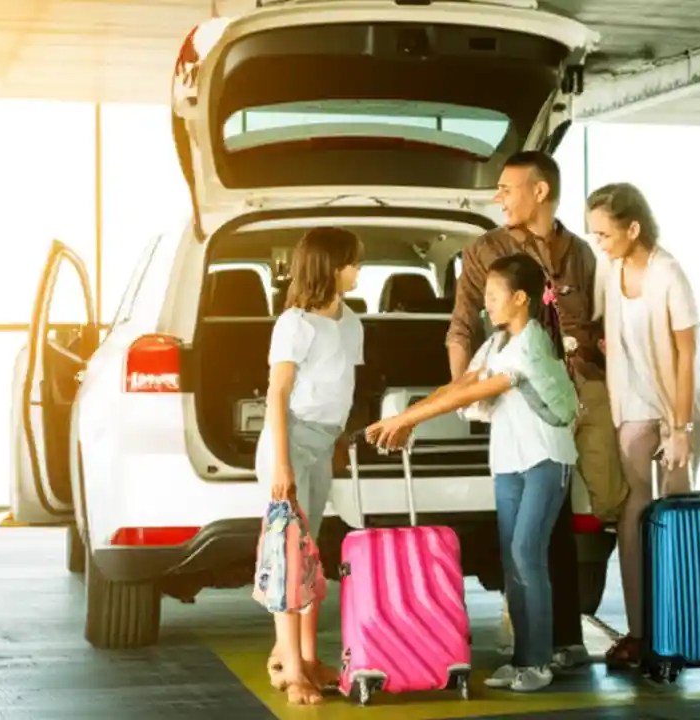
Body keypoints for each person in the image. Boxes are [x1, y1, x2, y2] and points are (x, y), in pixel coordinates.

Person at [446, 150, 625, 670]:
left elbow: (602, 327)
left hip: (584, 392)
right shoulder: (485, 250)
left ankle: (566, 637)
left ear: (540, 191)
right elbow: (462, 326)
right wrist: (463, 391)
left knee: (596, 510)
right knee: (537, 528)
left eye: (507, 188)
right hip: (522, 398)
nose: (498, 197)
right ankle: (541, 640)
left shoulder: (582, 253)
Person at [368, 253, 579, 692]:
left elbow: (475, 393)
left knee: (526, 553)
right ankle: (522, 660)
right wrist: (405, 418)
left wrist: (406, 420)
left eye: (495, 295)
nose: (487, 303)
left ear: (521, 298)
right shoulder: (496, 342)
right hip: (509, 462)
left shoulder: (529, 345)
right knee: (512, 560)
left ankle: (539, 662)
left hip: (545, 460)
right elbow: (459, 386)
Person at [584, 183, 700, 669]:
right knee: (633, 514)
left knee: (674, 512)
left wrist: (680, 429)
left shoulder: (668, 274)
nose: (599, 242)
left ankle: (682, 627)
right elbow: (604, 326)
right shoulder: (610, 269)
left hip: (680, 407)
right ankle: (641, 632)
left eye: (604, 233)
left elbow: (686, 357)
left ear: (633, 228)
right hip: (633, 405)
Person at [252, 226, 364, 704]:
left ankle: (305, 658)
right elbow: (277, 394)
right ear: (330, 267)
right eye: (353, 262)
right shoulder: (294, 324)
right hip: (291, 441)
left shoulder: (351, 322)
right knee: (289, 557)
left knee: (310, 554)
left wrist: (336, 443)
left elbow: (341, 387)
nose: (359, 269)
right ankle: (292, 670)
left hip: (322, 442)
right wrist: (282, 465)